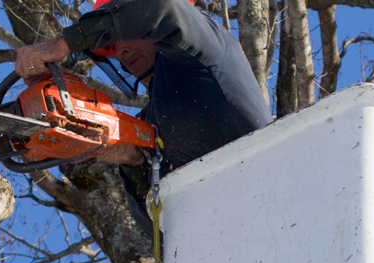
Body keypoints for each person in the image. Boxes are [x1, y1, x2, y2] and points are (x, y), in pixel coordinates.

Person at [16, 0, 273, 235]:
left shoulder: (206, 50)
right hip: (225, 245)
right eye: (112, 48)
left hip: (272, 197)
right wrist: (132, 160)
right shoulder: (149, 121)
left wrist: (67, 42)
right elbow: (158, 233)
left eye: (128, 36)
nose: (122, 51)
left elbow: (163, 9)